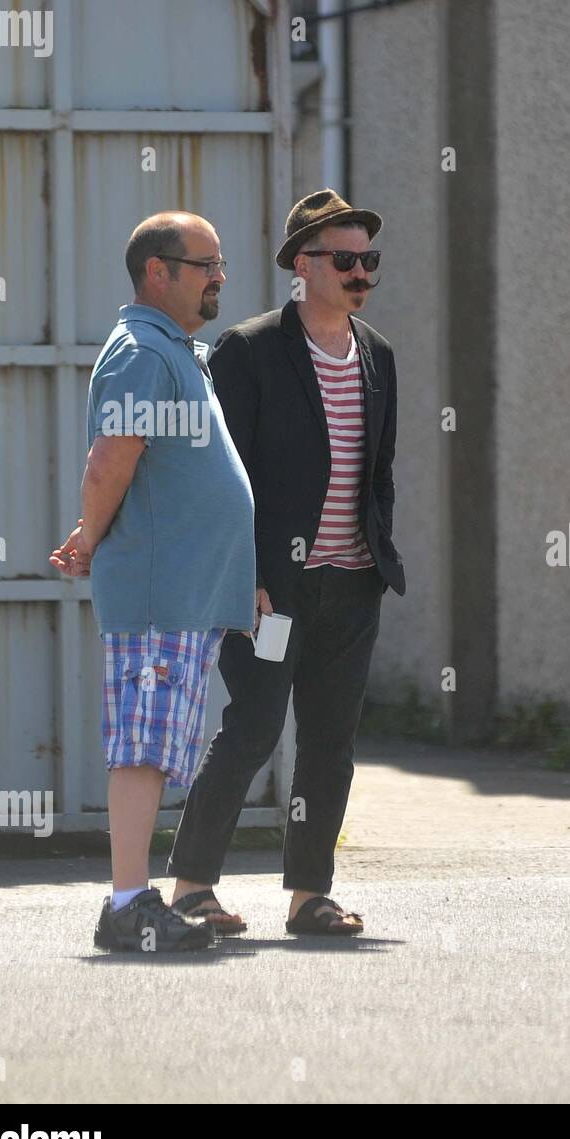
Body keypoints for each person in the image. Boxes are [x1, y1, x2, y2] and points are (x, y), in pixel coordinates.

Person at [165, 189, 405, 937]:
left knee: (332, 743)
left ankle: (310, 896)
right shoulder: (251, 348)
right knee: (254, 729)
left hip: (353, 581)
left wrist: (375, 553)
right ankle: (193, 886)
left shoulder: (378, 354)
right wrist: (247, 574)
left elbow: (380, 470)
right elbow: (221, 471)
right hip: (271, 588)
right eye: (344, 259)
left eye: (368, 259)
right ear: (304, 265)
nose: (360, 271)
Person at [49, 212, 256, 952]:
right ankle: (128, 904)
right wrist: (93, 537)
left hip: (183, 591)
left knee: (155, 746)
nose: (220, 277)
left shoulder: (175, 351)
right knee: (142, 750)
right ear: (157, 272)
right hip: (157, 592)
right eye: (206, 264)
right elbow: (113, 460)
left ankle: (137, 899)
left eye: (220, 262)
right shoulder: (141, 351)